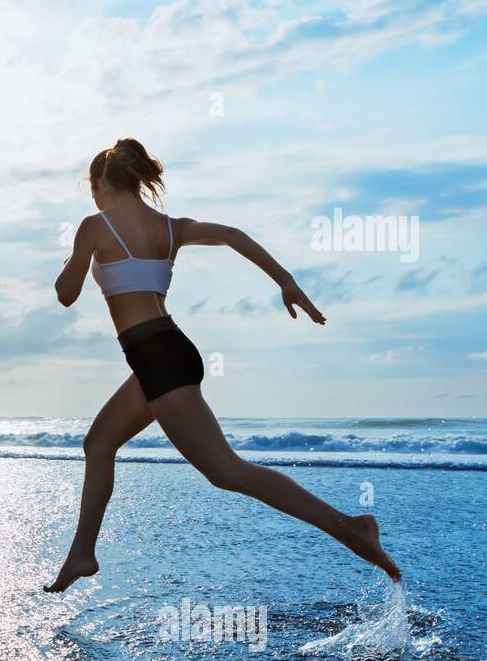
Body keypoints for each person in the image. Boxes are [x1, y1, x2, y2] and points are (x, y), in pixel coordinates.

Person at [45, 138, 402, 594]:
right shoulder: (171, 228)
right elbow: (233, 236)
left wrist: (75, 258)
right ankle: (82, 553)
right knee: (98, 444)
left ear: (102, 184)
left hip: (157, 357)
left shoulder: (94, 226)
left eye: (91, 188)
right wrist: (286, 281)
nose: (92, 198)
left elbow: (65, 294)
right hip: (165, 352)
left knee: (227, 471)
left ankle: (350, 527)